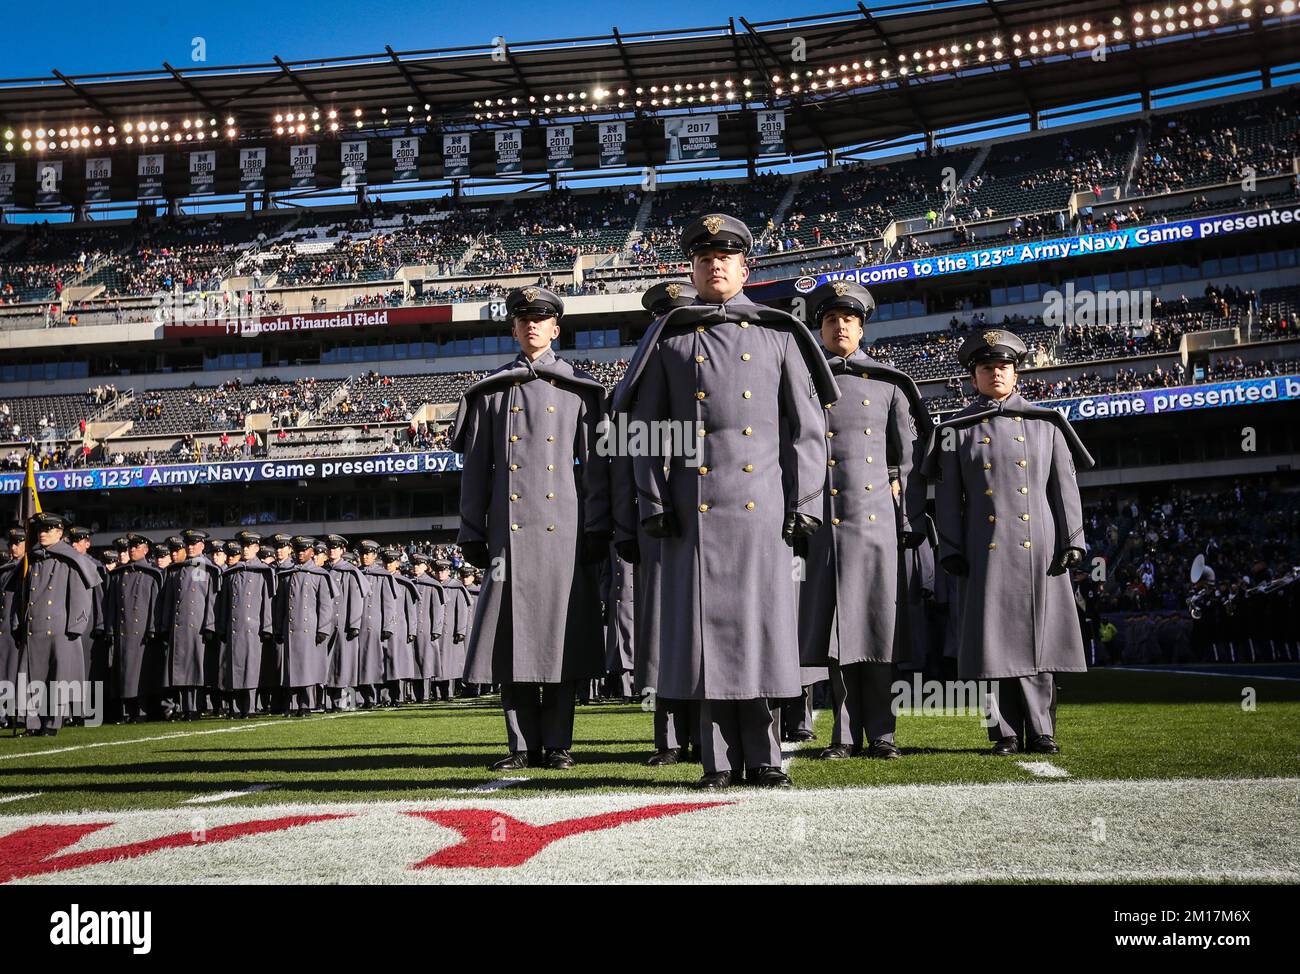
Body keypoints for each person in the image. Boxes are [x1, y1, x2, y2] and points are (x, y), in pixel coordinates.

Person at [612, 213, 839, 789]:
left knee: (761, 634)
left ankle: (765, 758)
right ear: (692, 267)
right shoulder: (672, 338)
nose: (716, 264)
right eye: (705, 256)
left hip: (764, 512)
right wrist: (654, 500)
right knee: (706, 639)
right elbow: (645, 429)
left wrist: (806, 501)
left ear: (745, 267)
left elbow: (805, 430)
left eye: (727, 256)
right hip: (695, 513)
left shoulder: (781, 334)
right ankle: (715, 762)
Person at [451, 285, 611, 770]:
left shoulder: (579, 390)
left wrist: (598, 525)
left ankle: (558, 743)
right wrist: (471, 531)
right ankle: (520, 745)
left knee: (562, 636)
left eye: (541, 319)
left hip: (564, 530)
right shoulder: (491, 392)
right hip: (508, 533)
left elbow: (594, 468)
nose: (532, 326)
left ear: (556, 328)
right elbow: (476, 469)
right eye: (523, 319)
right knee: (512, 638)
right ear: (514, 328)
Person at [926, 329, 1094, 754]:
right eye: (987, 368)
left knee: (1041, 642)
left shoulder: (1046, 424)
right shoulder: (956, 430)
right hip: (984, 550)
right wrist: (950, 548)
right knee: (989, 646)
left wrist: (1073, 538)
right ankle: (1004, 733)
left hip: (1039, 549)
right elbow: (946, 500)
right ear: (973, 376)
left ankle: (1042, 731)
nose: (995, 373)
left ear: (1016, 372)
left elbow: (1064, 487)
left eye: (1003, 366)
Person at [798, 281, 932, 760]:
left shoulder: (890, 384)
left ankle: (883, 734)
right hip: (822, 526)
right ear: (821, 326)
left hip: (874, 525)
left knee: (879, 632)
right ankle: (843, 735)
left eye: (848, 320)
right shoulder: (804, 380)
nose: (840, 327)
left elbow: (910, 457)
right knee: (835, 636)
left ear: (861, 327)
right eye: (831, 320)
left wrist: (903, 503)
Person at [618, 280, 700, 765]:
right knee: (660, 634)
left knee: (705, 627)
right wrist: (627, 529)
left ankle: (711, 730)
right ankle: (668, 738)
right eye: (661, 320)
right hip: (655, 528)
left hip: (704, 520)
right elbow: (619, 467)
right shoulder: (636, 386)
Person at [18, 513, 101, 735]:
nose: (42, 533)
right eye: (40, 530)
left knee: (57, 679)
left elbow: (81, 594)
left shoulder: (71, 559)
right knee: (30, 679)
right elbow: (24, 595)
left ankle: (52, 723)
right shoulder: (34, 558)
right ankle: (32, 723)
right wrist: (20, 623)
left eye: (47, 530)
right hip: (33, 628)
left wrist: (75, 626)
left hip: (58, 628)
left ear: (59, 533)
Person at [160, 529, 219, 721]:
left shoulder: (202, 568)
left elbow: (205, 598)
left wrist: (209, 625)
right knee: (181, 672)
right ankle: (183, 707)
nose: (191, 547)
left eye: (194, 544)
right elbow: (169, 601)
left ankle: (194, 707)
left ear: (202, 545)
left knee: (195, 670)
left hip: (196, 627)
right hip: (179, 627)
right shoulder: (178, 569)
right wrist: (164, 626)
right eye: (188, 544)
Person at [215, 530, 275, 718]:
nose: (246, 549)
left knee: (251, 668)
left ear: (257, 548)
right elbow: (223, 603)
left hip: (253, 629)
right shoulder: (231, 572)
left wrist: (267, 627)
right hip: (234, 628)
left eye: (249, 546)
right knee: (234, 668)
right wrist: (222, 627)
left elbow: (267, 601)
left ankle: (249, 707)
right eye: (244, 546)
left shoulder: (264, 572)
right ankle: (234, 707)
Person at [274, 536, 336, 717]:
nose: (301, 553)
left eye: (304, 550)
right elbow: (280, 605)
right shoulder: (287, 574)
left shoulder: (319, 575)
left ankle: (306, 704)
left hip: (310, 629)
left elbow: (325, 605)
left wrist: (323, 628)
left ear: (311, 552)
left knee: (307, 669)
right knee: (291, 669)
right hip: (290, 628)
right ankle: (292, 705)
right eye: (298, 550)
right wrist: (278, 628)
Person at [106, 534, 163, 724]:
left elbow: (155, 603)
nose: (132, 550)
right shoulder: (119, 574)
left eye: (136, 547)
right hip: (123, 630)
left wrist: (152, 628)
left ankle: (140, 711)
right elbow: (112, 605)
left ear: (146, 550)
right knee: (122, 672)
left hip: (141, 633)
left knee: (140, 674)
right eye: (130, 547)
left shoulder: (152, 574)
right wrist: (109, 628)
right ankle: (124, 711)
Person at [325, 535, 364, 711]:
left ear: (342, 550)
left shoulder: (349, 571)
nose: (331, 550)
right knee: (328, 665)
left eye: (335, 547)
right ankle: (327, 702)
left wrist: (354, 624)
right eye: (329, 547)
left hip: (344, 625)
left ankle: (347, 702)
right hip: (326, 624)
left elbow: (356, 599)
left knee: (345, 664)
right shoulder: (324, 570)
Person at [0, 529, 25, 729]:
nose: (13, 547)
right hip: (4, 629)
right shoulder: (6, 568)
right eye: (11, 543)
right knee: (3, 673)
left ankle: (15, 714)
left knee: (16, 674)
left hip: (16, 628)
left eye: (18, 543)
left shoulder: (27, 568)